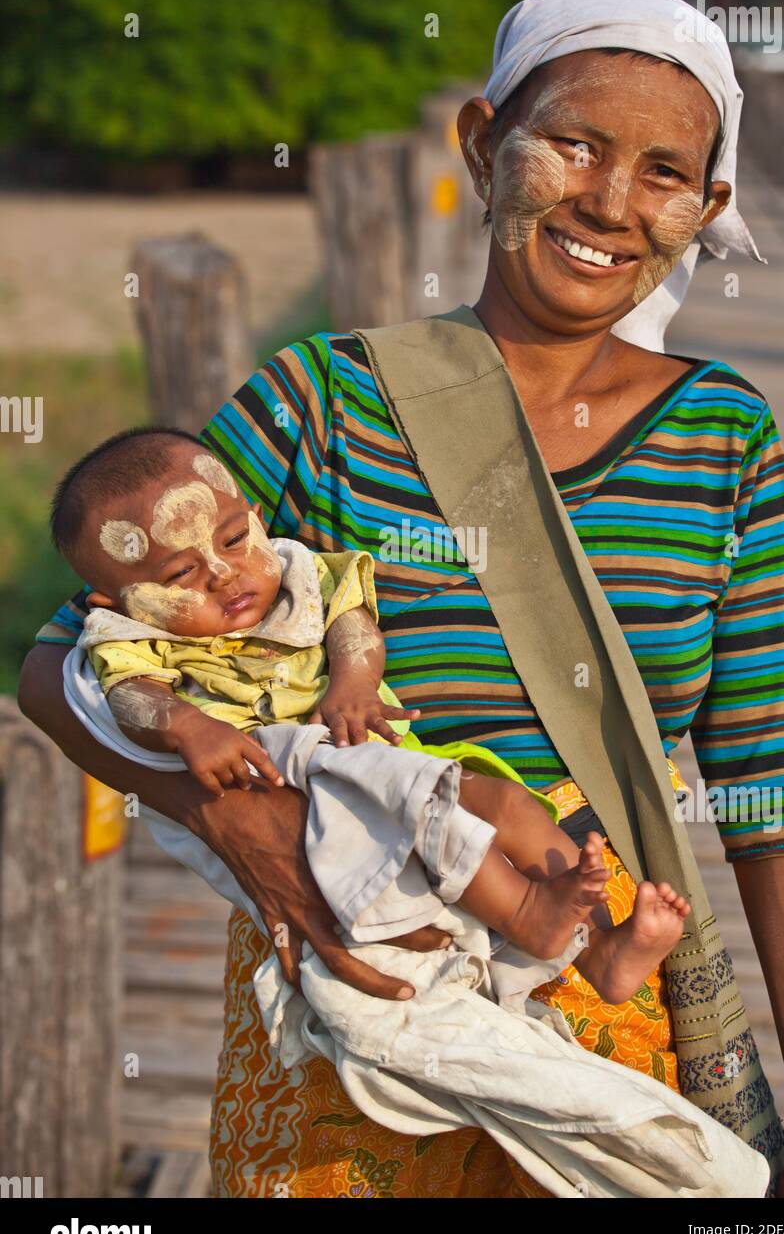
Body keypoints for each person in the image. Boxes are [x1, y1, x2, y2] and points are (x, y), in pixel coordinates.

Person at [20, 0, 784, 1199]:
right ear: (480, 143)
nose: (609, 203)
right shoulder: (326, 400)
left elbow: (773, 780)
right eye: (571, 143)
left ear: (705, 209)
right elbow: (60, 656)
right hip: (346, 986)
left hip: (596, 1002)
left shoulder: (721, 432)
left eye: (663, 171)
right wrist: (230, 822)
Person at [50, 424, 692, 1000]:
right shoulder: (132, 639)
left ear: (254, 513)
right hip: (313, 792)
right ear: (114, 601)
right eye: (183, 574)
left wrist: (355, 684)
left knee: (509, 807)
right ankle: (530, 913)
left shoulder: (306, 576)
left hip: (389, 758)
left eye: (235, 538)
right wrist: (188, 724)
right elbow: (131, 699)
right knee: (440, 830)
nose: (224, 573)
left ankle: (603, 949)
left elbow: (356, 634)